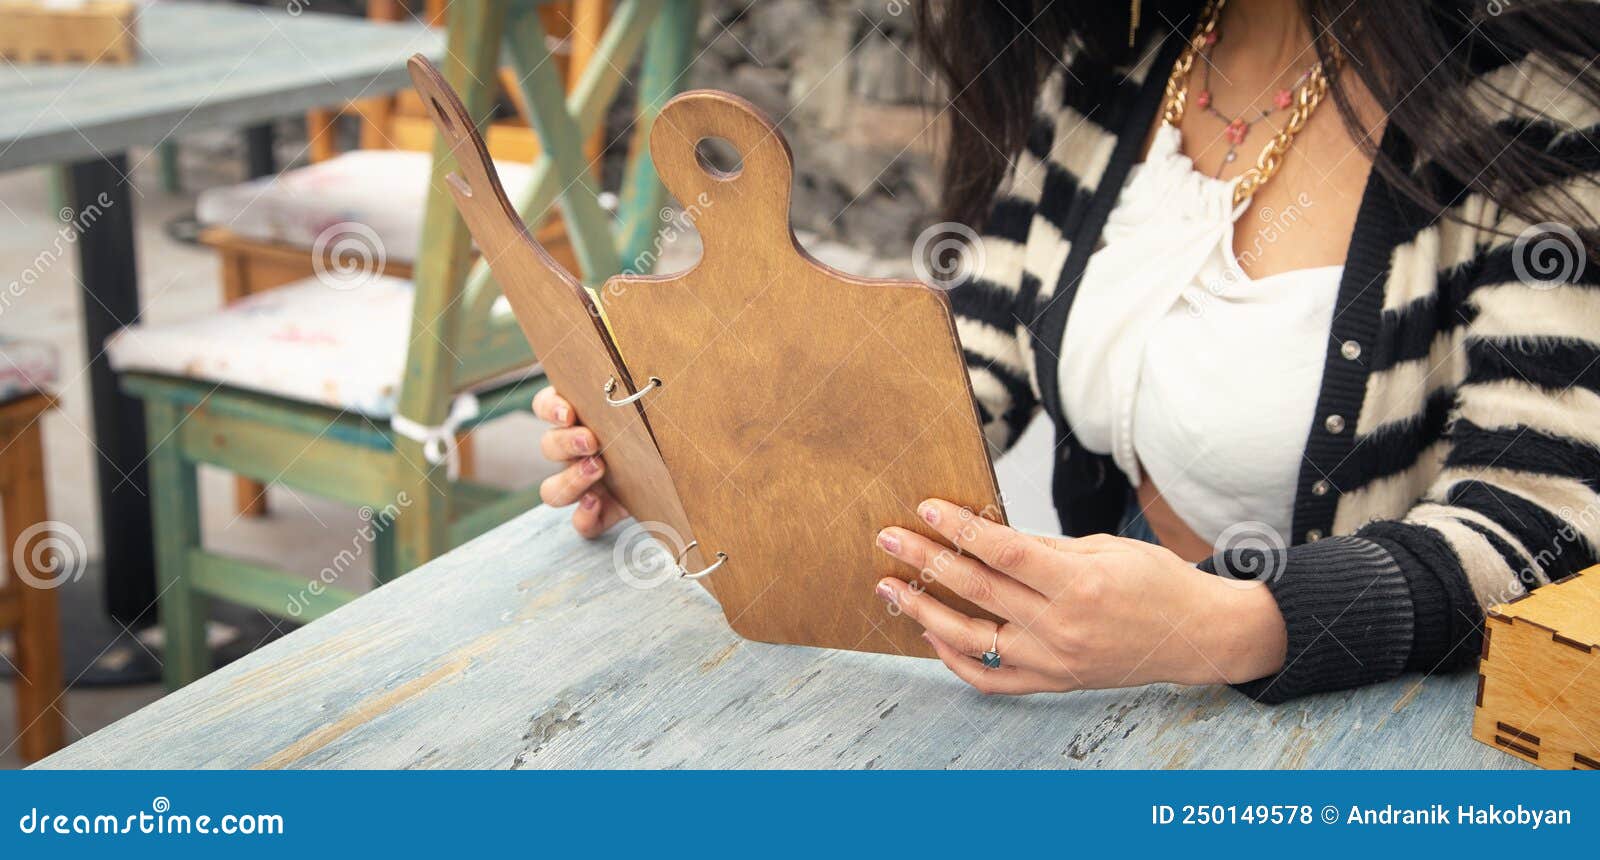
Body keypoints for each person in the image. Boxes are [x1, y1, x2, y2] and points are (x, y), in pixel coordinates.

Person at [532, 0, 1600, 702]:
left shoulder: (1529, 107)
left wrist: (1235, 623)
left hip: (1381, 716)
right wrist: (708, 456)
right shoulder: (1120, 66)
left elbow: (1540, 525)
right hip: (1102, 680)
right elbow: (977, 357)